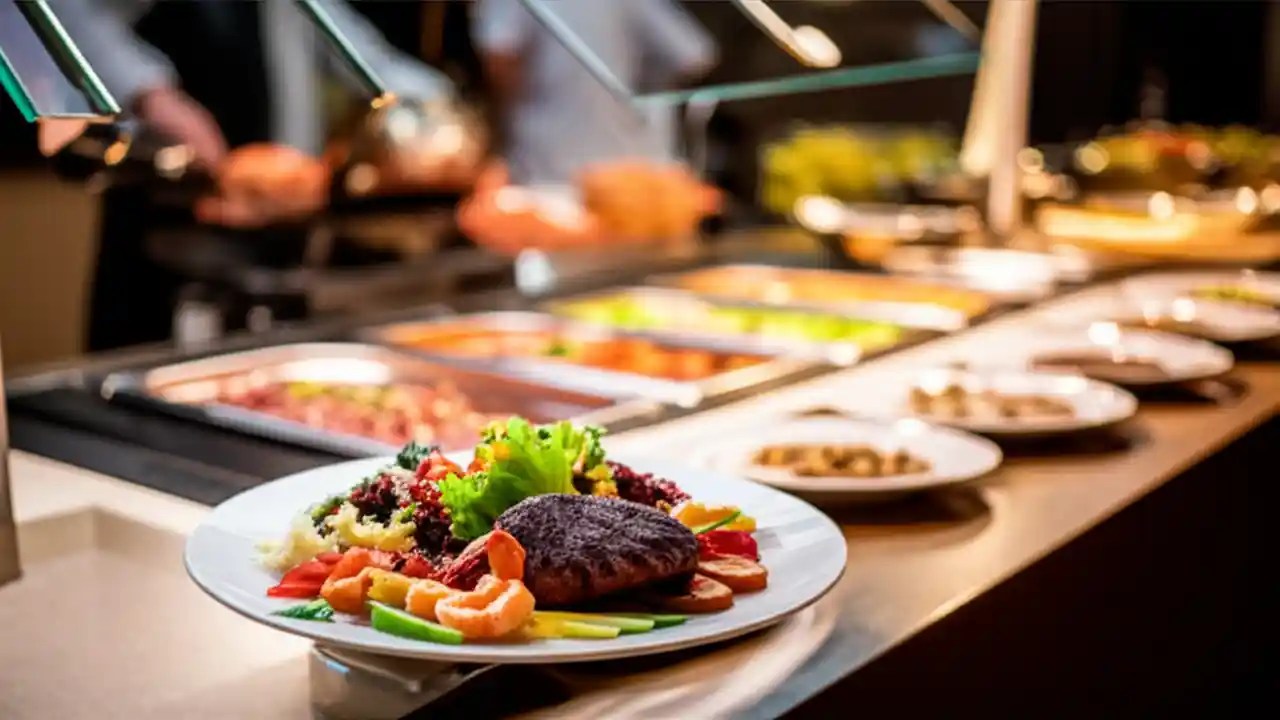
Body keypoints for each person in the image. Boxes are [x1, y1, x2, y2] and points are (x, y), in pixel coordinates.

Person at [55, 0, 454, 351]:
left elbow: (369, 61)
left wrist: (447, 112)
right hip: (165, 228)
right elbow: (70, 19)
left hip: (276, 239)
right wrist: (153, 95)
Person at [471, 0, 717, 186]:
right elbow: (693, 57)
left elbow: (500, 59)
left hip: (556, 178)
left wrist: (496, 138)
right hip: (642, 173)